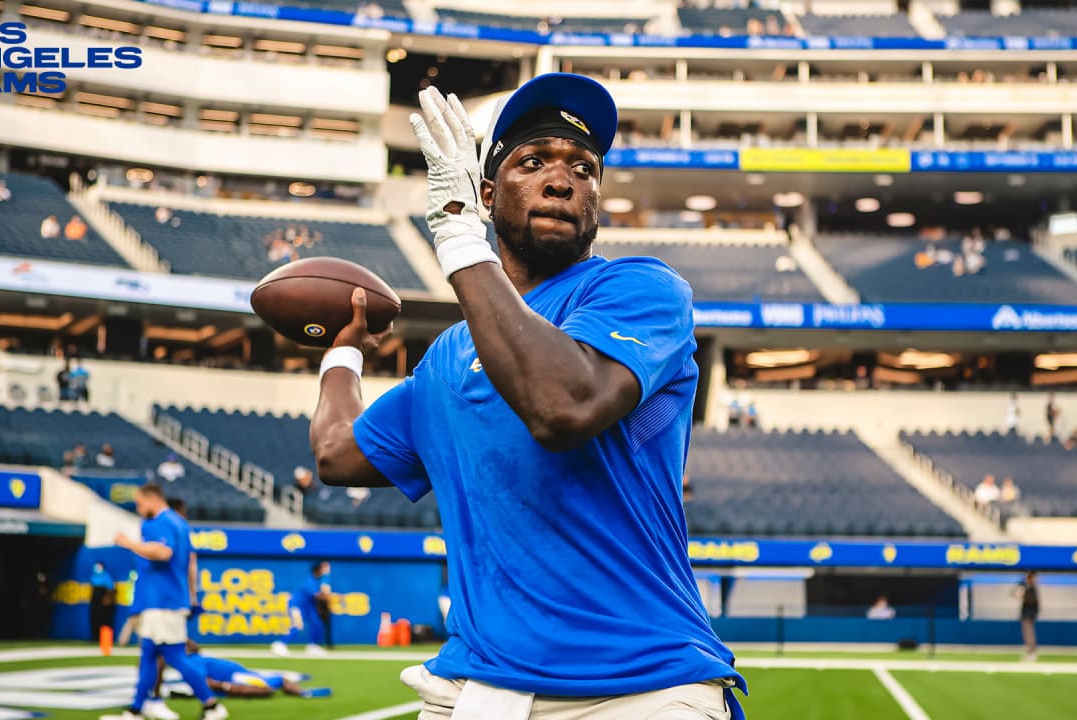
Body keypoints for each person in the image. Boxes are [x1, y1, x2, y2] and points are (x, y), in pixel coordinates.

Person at [309, 74, 745, 718]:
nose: (563, 179)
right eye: (532, 162)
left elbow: (563, 406)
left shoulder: (642, 290)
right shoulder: (449, 357)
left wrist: (458, 233)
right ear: (487, 192)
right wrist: (341, 355)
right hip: (479, 689)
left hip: (639, 687)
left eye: (585, 168)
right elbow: (338, 455)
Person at [114, 482, 227, 720]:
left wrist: (129, 543)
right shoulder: (180, 524)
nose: (138, 508)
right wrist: (191, 596)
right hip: (165, 600)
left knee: (174, 656)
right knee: (150, 656)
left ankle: (211, 705)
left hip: (162, 602)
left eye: (140, 503)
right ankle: (137, 708)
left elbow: (164, 553)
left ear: (152, 498)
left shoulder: (161, 522)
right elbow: (191, 564)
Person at [179, 640, 327, 698]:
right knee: (269, 685)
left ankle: (299, 691)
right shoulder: (191, 661)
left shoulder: (196, 657)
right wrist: (227, 687)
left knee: (278, 678)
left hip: (241, 673)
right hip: (235, 678)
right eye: (188, 644)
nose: (193, 643)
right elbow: (202, 679)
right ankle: (304, 693)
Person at [272, 561, 331, 657]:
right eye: (323, 570)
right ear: (317, 571)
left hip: (308, 607)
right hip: (297, 606)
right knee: (297, 625)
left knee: (317, 623)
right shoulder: (309, 581)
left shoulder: (318, 580)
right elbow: (319, 596)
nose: (325, 572)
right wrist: (332, 597)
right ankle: (280, 644)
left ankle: (313, 647)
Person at [89, 562, 116, 642]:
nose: (97, 568)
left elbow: (111, 589)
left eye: (99, 566)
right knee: (94, 619)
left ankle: (105, 638)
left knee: (104, 620)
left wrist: (108, 598)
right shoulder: (93, 576)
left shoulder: (106, 576)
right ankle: (95, 637)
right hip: (95, 601)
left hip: (103, 602)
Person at [1017, 571, 1040, 661]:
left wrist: (1023, 595)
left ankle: (1032, 653)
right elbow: (1013, 593)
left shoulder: (1032, 588)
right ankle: (1030, 652)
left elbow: (1033, 601)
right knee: (1027, 634)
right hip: (1026, 615)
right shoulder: (1026, 587)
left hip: (1029, 615)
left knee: (1029, 634)